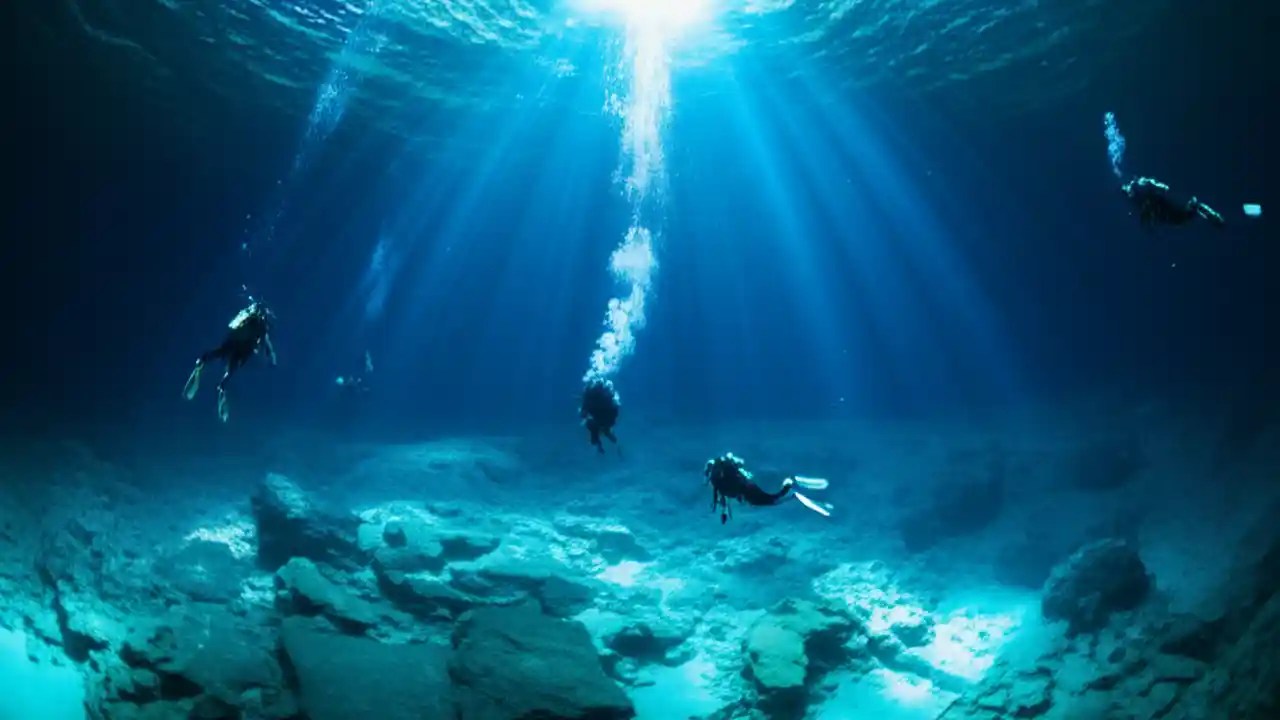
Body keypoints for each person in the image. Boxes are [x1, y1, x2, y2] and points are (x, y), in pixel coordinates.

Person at [183, 301, 277, 422]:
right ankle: (222, 387)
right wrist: (273, 360)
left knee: (220, 353)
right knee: (230, 370)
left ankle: (202, 361)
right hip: (242, 350)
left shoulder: (248, 317)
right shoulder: (262, 326)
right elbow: (268, 346)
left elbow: (232, 326)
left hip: (233, 343)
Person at [704, 452, 832, 524]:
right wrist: (725, 512)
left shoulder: (717, 482)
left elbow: (722, 500)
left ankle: (792, 489)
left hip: (749, 493)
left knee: (773, 500)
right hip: (751, 484)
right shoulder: (726, 474)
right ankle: (791, 482)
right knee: (772, 497)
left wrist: (724, 513)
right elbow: (724, 499)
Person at [1121, 176, 1224, 228]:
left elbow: (1163, 189)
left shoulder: (1143, 195)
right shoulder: (1141, 199)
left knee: (1191, 210)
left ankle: (1214, 217)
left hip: (1170, 214)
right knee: (1191, 210)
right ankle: (1214, 217)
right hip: (1170, 215)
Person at [580, 377, 620, 454]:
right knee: (607, 432)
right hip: (607, 418)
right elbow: (615, 408)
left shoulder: (588, 394)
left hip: (599, 419)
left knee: (595, 431)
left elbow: (584, 412)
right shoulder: (604, 393)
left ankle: (600, 449)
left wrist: (584, 415)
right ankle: (616, 447)